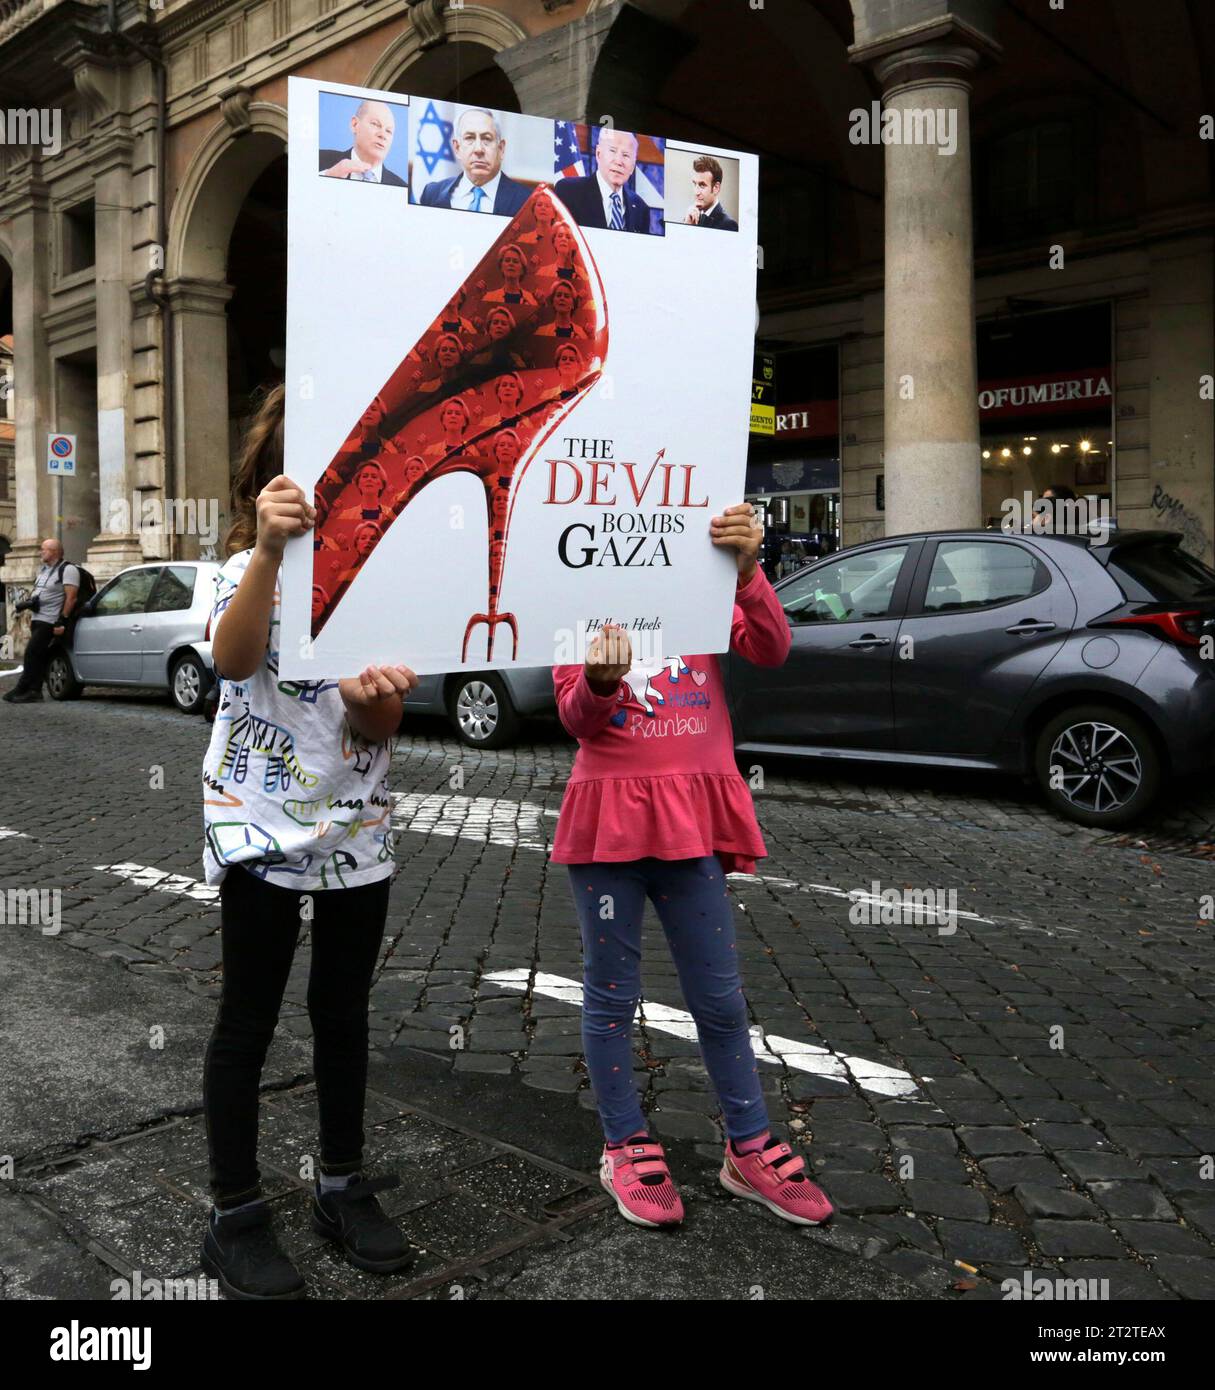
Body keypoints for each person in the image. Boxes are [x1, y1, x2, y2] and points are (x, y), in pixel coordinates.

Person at [550, 504, 833, 1231]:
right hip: (608, 819)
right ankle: (623, 1142)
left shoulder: (697, 581)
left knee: (719, 997)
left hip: (689, 821)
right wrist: (602, 681)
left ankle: (746, 1145)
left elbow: (770, 648)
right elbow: (576, 718)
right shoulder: (572, 596)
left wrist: (745, 570)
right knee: (611, 995)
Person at [199, 383, 420, 1300]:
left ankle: (338, 1183)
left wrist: (376, 699)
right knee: (246, 1021)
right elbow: (234, 657)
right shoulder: (234, 567)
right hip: (256, 832)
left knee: (343, 1016)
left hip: (356, 837)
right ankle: (235, 1210)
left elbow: (382, 725)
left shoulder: (385, 573)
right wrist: (270, 549)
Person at [3, 537, 79, 704]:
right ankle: (34, 691)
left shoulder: (68, 570)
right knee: (37, 655)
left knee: (31, 653)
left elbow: (71, 598)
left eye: (44, 549)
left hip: (50, 620)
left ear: (55, 552)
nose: (40, 552)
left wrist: (62, 620)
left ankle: (23, 687)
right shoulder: (44, 570)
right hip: (38, 618)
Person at [419, 107, 529, 215]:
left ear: (501, 149)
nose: (478, 149)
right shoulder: (431, 194)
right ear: (457, 148)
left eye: (487, 139)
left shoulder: (527, 201)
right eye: (469, 138)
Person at [554, 129, 652, 233]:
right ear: (598, 154)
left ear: (632, 166)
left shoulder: (641, 208)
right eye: (613, 151)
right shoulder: (569, 191)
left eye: (626, 155)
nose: (619, 161)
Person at [319, 100, 406, 186]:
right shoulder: (319, 159)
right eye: (375, 124)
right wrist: (327, 177)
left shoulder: (403, 187)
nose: (383, 135)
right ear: (355, 124)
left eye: (388, 131)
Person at [682, 155, 739, 230]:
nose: (696, 192)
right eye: (694, 184)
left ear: (716, 188)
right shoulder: (689, 217)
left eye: (702, 185)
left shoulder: (728, 225)